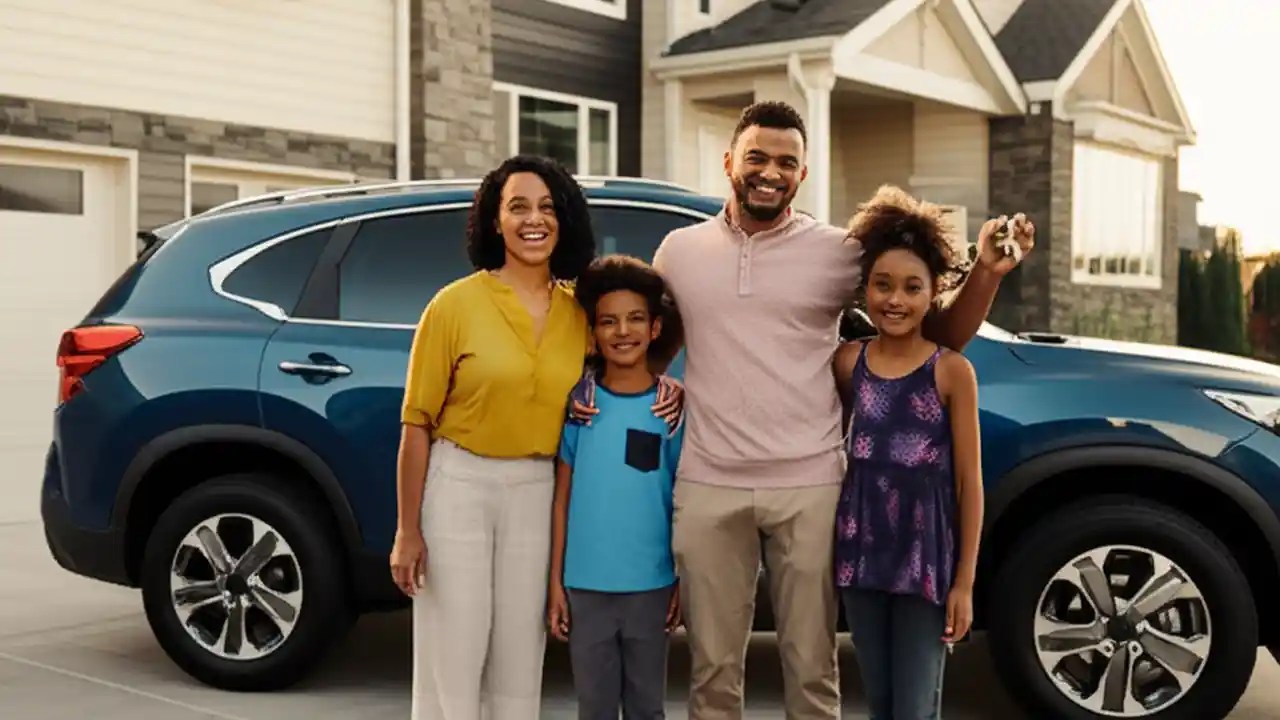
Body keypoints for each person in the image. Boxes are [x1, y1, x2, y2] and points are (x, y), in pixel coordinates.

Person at [572, 100, 1033, 719]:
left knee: (812, 667)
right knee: (712, 671)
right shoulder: (678, 252)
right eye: (757, 157)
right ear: (730, 161)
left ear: (803, 174)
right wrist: (592, 393)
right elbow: (650, 352)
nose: (770, 171)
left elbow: (935, 336)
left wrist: (987, 271)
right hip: (709, 483)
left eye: (787, 162)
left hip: (811, 485)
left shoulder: (838, 252)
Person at [388, 155, 681, 720]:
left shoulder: (579, 312)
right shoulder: (452, 306)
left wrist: (669, 387)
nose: (534, 219)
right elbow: (416, 424)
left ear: (564, 221)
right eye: (517, 206)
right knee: (455, 645)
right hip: (460, 482)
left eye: (548, 207)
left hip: (536, 487)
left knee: (521, 654)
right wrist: (407, 530)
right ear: (494, 221)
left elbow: (635, 350)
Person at [832, 185, 985, 720]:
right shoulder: (848, 363)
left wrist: (964, 583)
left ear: (932, 293)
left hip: (925, 561)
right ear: (865, 290)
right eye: (882, 285)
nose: (895, 299)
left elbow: (969, 483)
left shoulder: (950, 371)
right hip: (860, 556)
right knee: (879, 703)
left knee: (916, 708)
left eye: (911, 288)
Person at [548, 254, 686, 720]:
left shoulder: (671, 410)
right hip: (585, 586)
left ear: (655, 328)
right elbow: (562, 500)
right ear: (592, 331)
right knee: (595, 707)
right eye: (608, 321)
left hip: (651, 584)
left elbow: (680, 503)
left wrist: (679, 579)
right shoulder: (580, 406)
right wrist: (555, 583)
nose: (622, 331)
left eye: (635, 320)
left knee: (648, 706)